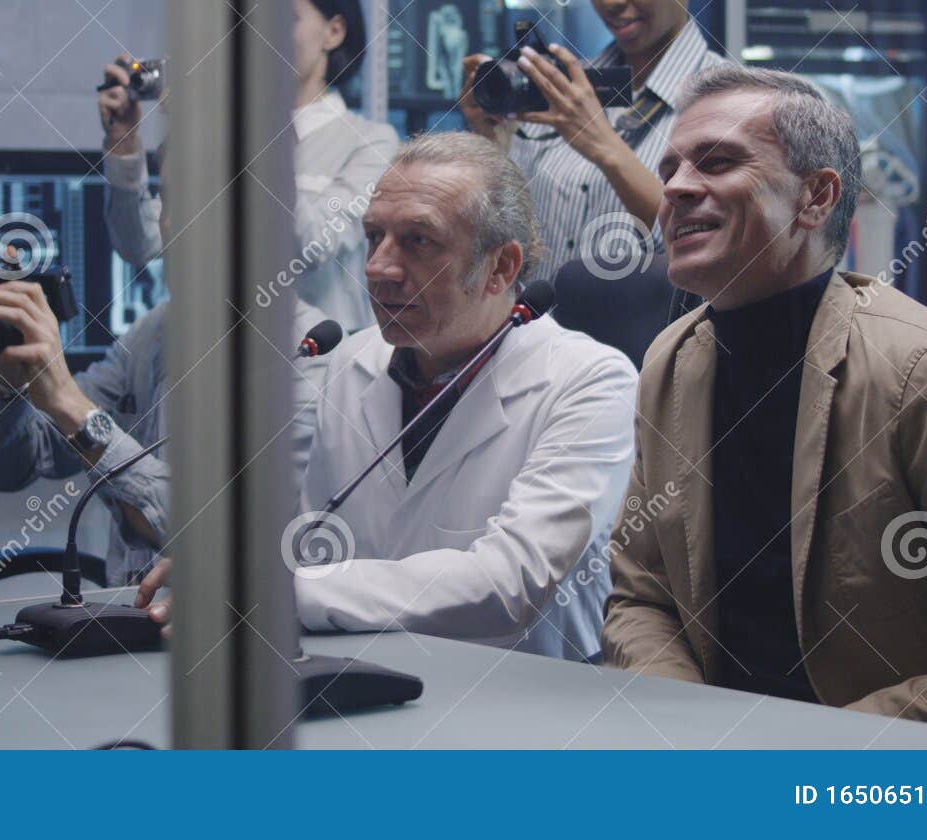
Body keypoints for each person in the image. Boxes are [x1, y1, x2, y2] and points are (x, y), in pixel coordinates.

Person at [602, 64, 927, 733]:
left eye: (718, 162)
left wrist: (815, 749)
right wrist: (692, 731)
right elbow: (643, 598)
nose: (674, 187)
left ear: (817, 197)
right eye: (669, 166)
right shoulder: (672, 361)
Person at [139, 133, 638, 661]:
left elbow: (511, 584)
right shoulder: (353, 360)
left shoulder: (592, 381)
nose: (378, 267)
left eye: (418, 241)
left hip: (524, 695)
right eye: (374, 236)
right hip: (368, 676)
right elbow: (324, 546)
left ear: (501, 268)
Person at [0, 259, 333, 586]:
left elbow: (230, 541)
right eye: (167, 199)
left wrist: (75, 410)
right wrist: (9, 384)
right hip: (126, 618)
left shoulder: (308, 357)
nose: (173, 222)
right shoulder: (156, 331)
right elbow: (8, 469)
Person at [98, 0, 399, 330]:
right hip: (218, 352)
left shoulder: (372, 143)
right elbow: (140, 244)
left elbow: (310, 246)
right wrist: (124, 145)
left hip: (316, 363)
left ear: (334, 31)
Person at [458, 0, 724, 286]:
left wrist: (605, 148)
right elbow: (509, 233)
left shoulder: (725, 97)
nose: (612, 3)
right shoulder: (560, 86)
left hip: (654, 329)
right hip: (535, 323)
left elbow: (712, 246)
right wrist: (494, 143)